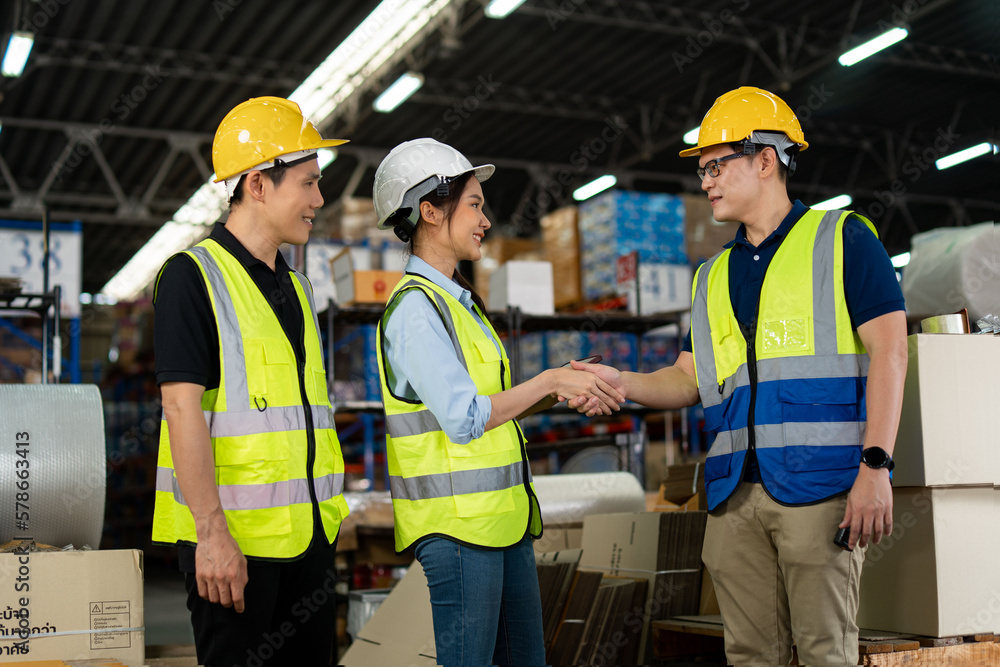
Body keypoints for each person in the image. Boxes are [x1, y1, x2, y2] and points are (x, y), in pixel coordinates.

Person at [572, 87, 908, 665]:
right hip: (733, 496)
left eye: (716, 165)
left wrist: (876, 466)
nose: (706, 181)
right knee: (750, 653)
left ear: (765, 160)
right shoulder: (709, 277)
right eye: (703, 170)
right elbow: (688, 378)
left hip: (820, 489)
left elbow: (891, 354)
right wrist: (619, 383)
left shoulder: (843, 240)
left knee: (826, 651)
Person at [372, 138, 624, 666]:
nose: (486, 219)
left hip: (501, 523)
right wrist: (549, 379)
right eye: (474, 205)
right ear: (430, 211)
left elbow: (491, 405)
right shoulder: (416, 312)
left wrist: (560, 387)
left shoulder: (458, 304)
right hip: (460, 531)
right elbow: (466, 419)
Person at [151, 96, 350, 667]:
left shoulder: (299, 288)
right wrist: (212, 535)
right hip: (233, 552)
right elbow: (182, 412)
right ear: (259, 184)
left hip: (309, 543)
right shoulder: (194, 277)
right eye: (308, 184)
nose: (318, 199)